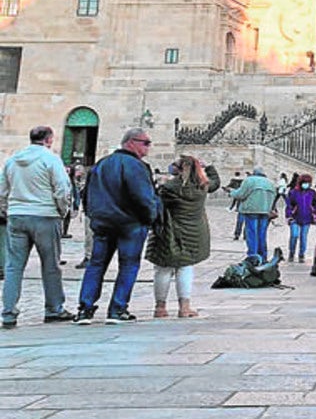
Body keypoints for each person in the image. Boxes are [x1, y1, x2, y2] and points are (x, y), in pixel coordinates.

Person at [76, 127, 160, 325]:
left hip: (103, 224)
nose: (148, 147)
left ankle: (85, 309)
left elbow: (87, 195)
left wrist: (94, 217)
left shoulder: (101, 164)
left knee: (96, 265)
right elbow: (143, 198)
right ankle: (118, 308)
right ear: (130, 142)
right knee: (128, 265)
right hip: (130, 224)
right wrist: (150, 218)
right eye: (145, 143)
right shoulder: (136, 166)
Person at [0, 126, 74, 328]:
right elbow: (62, 188)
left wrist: (8, 210)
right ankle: (54, 308)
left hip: (17, 215)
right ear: (49, 139)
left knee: (13, 266)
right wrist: (62, 211)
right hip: (45, 215)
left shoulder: (13, 160)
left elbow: (2, 190)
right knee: (50, 265)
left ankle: (8, 312)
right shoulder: (50, 159)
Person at [144, 155, 220, 318]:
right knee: (186, 267)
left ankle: (160, 307)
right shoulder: (202, 186)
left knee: (163, 268)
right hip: (193, 232)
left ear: (177, 169)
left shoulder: (170, 187)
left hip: (170, 231)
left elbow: (156, 201)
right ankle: (184, 307)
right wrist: (209, 167)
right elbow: (215, 182)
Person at [230, 167, 276, 264]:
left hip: (251, 210)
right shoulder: (270, 183)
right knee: (262, 234)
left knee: (252, 233)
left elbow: (240, 194)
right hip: (265, 211)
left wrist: (231, 192)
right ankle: (263, 256)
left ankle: (253, 255)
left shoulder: (249, 180)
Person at [285, 174, 316, 263]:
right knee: (294, 235)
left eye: (308, 182)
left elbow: (315, 204)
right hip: (295, 217)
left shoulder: (312, 193)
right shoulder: (293, 192)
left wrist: (315, 212)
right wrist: (289, 215)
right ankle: (291, 253)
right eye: (304, 182)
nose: (306, 184)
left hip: (307, 217)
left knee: (303, 237)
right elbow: (289, 205)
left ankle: (301, 254)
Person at [224, 171, 244, 239]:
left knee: (240, 221)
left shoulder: (234, 180)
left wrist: (230, 191)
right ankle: (246, 235)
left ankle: (237, 234)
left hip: (242, 205)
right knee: (248, 222)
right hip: (250, 207)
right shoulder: (243, 181)